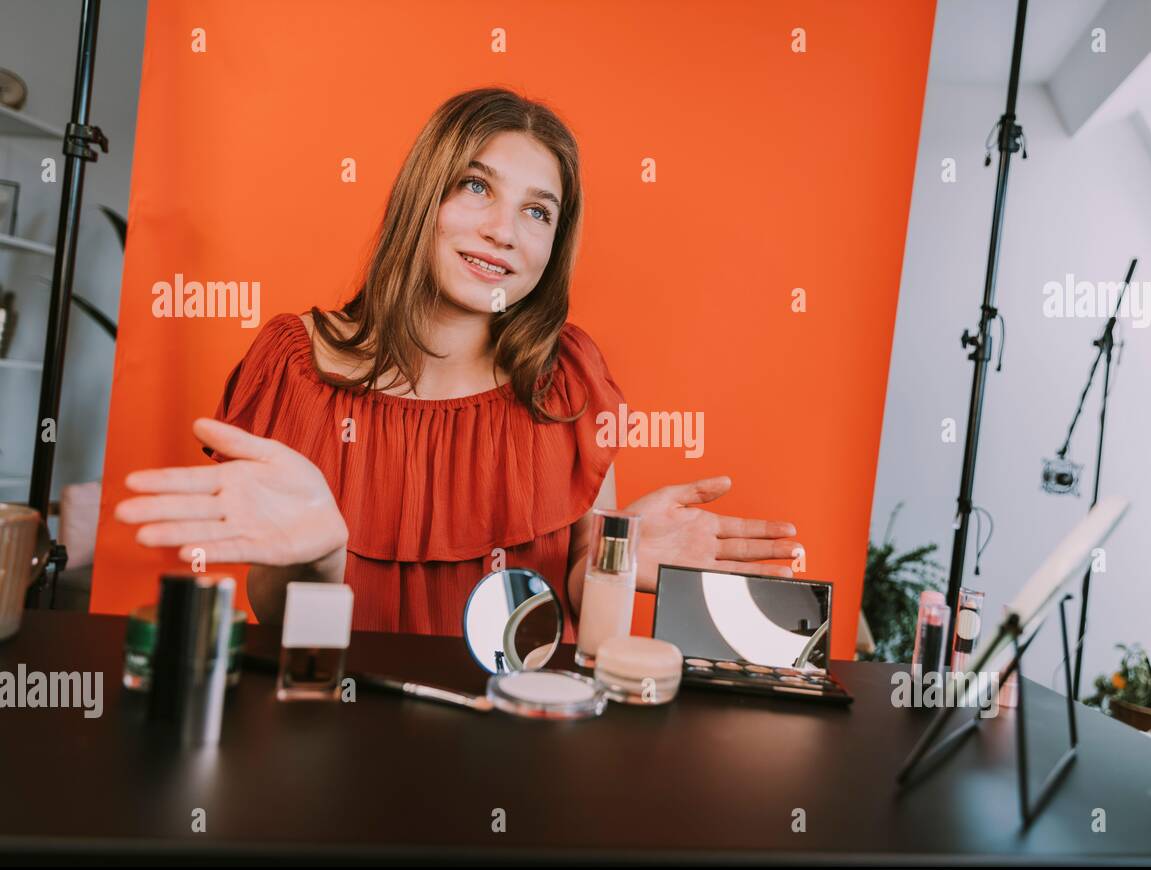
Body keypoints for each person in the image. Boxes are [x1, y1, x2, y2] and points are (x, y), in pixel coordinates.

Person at [115, 87, 800, 638]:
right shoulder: (296, 367)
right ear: (425, 195)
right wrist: (320, 560)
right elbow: (284, 621)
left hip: (515, 753)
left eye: (538, 212)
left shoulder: (569, 383)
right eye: (477, 186)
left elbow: (577, 628)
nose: (504, 231)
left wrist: (611, 565)